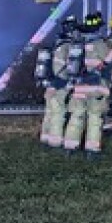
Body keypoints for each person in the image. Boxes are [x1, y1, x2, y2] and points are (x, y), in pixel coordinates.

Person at [62, 12, 112, 159]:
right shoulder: (100, 44)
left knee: (76, 116)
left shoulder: (77, 43)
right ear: (98, 28)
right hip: (95, 87)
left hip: (79, 86)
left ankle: (69, 148)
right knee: (94, 118)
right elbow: (111, 60)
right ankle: (92, 151)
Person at [37, 16, 76, 149]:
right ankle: (55, 143)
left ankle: (44, 139)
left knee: (49, 112)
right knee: (58, 114)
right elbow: (70, 67)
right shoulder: (69, 46)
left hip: (49, 83)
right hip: (60, 84)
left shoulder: (56, 43)